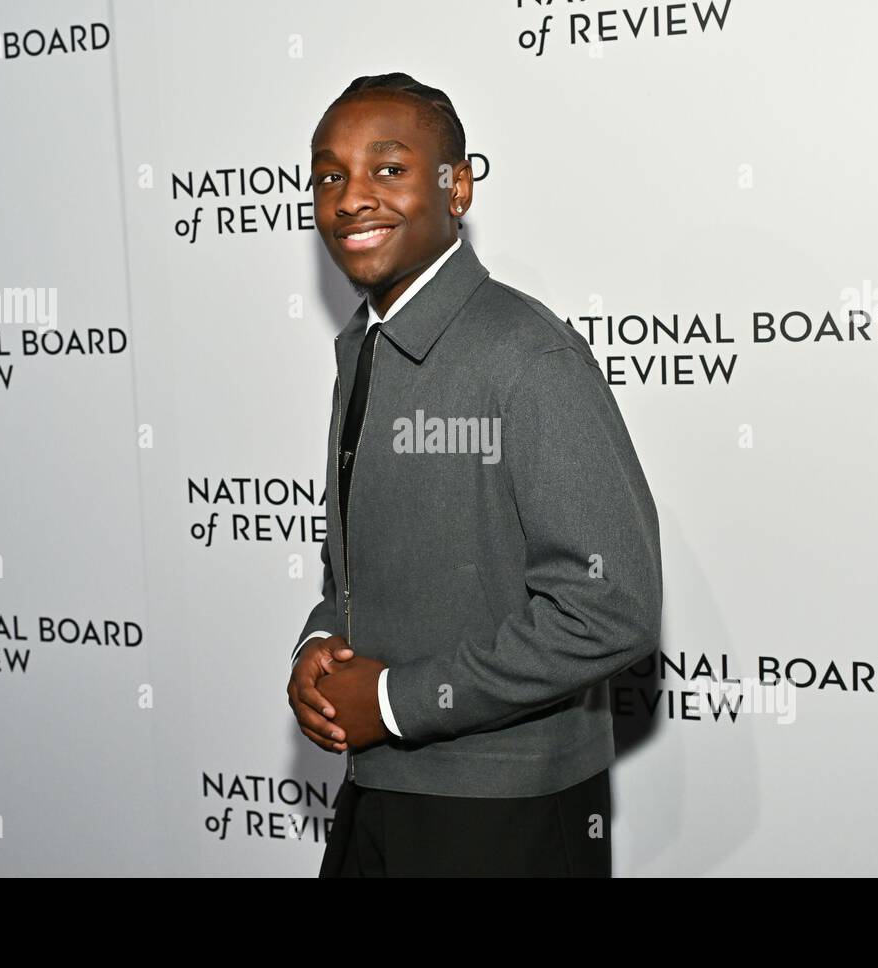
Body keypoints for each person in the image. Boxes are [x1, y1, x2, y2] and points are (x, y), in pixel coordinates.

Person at [286, 72, 662, 876]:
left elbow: (611, 606)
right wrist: (321, 642)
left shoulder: (526, 355)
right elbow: (360, 563)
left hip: (504, 816)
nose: (352, 197)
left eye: (389, 169)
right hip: (378, 791)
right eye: (329, 175)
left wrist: (392, 702)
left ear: (456, 186)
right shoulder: (364, 346)